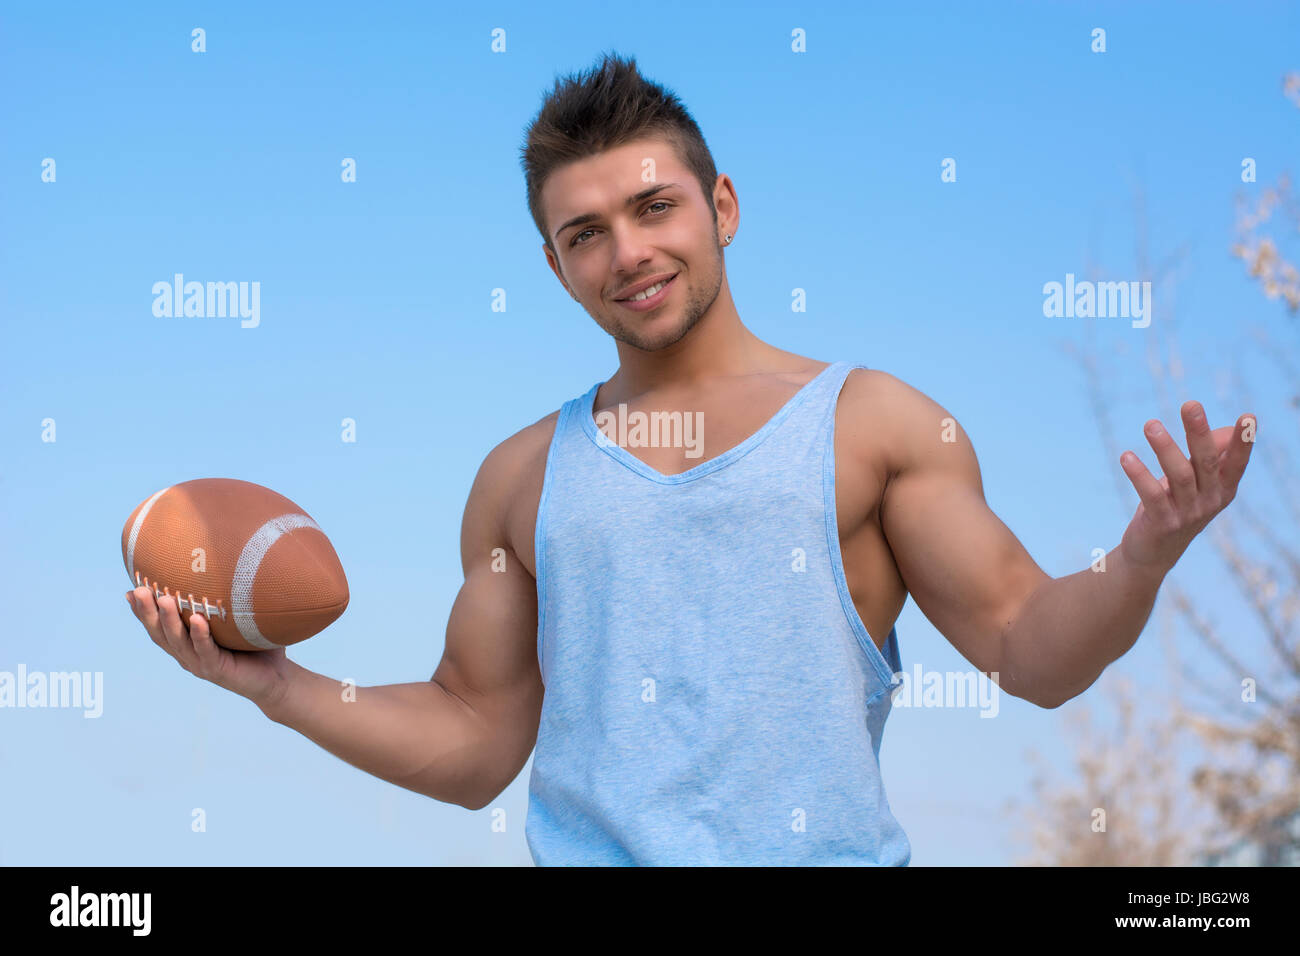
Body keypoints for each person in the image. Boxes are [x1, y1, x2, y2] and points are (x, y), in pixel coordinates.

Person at [126, 52, 1256, 866]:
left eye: (653, 206)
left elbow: (1030, 650)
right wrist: (273, 685)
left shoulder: (876, 424)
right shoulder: (517, 479)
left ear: (720, 206)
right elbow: (473, 739)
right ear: (556, 263)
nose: (628, 252)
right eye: (585, 234)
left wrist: (1140, 560)